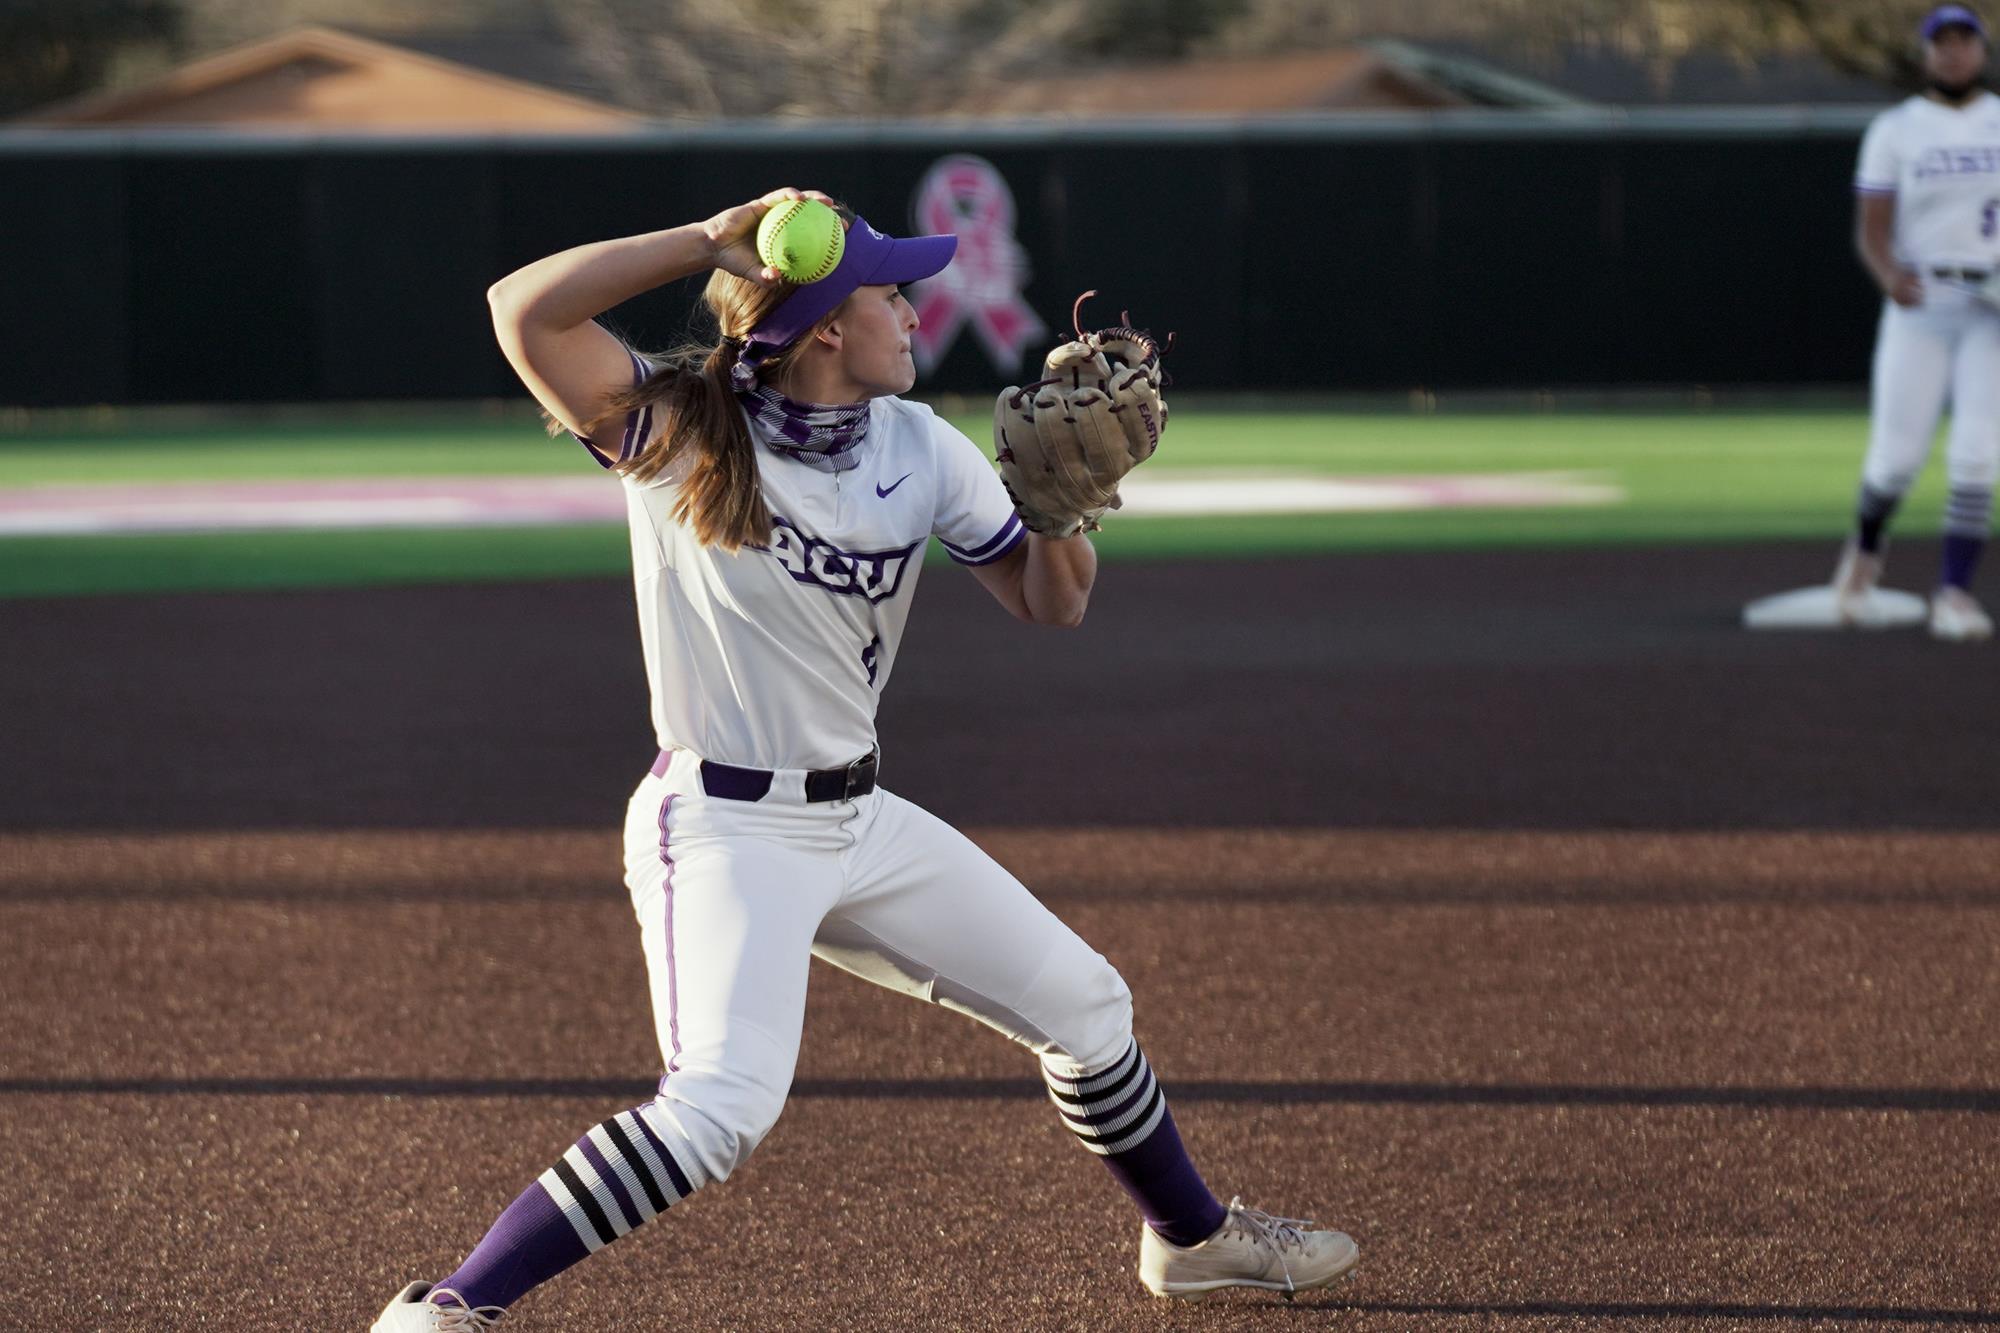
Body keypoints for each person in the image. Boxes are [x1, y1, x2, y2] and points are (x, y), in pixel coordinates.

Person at [371, 188, 1359, 1329]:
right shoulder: (677, 430)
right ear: (830, 327)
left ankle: (1191, 1241)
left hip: (857, 819)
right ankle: (451, 1306)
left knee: (1088, 1004)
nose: (912, 310)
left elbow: (1050, 607)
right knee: (714, 1111)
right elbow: (521, 311)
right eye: (892, 292)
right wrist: (704, 242)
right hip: (724, 828)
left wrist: (1068, 509)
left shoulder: (917, 445)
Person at [1834, 3, 2000, 640]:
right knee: (1896, 461)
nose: (1953, 53)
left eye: (1965, 41)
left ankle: (1954, 594)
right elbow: (1872, 229)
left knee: (1977, 455)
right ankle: (1864, 559)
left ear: (1982, 51)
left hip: (1989, 309)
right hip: (1923, 305)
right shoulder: (1897, 129)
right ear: (1925, 54)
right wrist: (1887, 276)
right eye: (1942, 43)